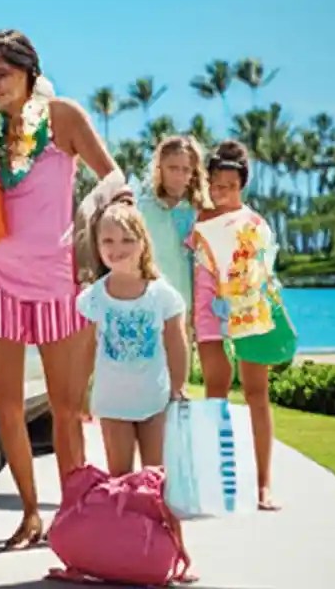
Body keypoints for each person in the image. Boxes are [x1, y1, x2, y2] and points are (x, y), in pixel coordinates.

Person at [0, 29, 128, 550]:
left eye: (0, 73)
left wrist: (100, 230)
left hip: (59, 282)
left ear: (29, 69)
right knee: (7, 406)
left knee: (66, 409)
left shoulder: (63, 116)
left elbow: (114, 177)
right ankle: (30, 514)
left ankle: (73, 513)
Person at [189, 140, 295, 511]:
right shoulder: (198, 221)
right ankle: (215, 483)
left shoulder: (255, 225)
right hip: (208, 315)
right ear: (208, 183)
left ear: (242, 186)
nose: (222, 193)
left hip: (249, 315)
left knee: (256, 394)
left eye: (230, 187)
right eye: (217, 185)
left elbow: (265, 278)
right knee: (215, 394)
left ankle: (264, 485)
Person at [76, 195, 191, 475]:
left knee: (158, 478)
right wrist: (81, 393)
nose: (117, 249)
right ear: (97, 246)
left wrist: (178, 388)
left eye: (127, 240)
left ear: (143, 243)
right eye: (108, 241)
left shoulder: (162, 295)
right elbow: (85, 350)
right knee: (121, 480)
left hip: (156, 401)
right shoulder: (93, 298)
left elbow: (177, 344)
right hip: (112, 403)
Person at [138, 135, 211, 314]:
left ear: (193, 173)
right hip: (151, 303)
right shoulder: (143, 208)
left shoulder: (200, 212)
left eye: (185, 170)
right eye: (172, 168)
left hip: (190, 306)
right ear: (159, 168)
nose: (179, 176)